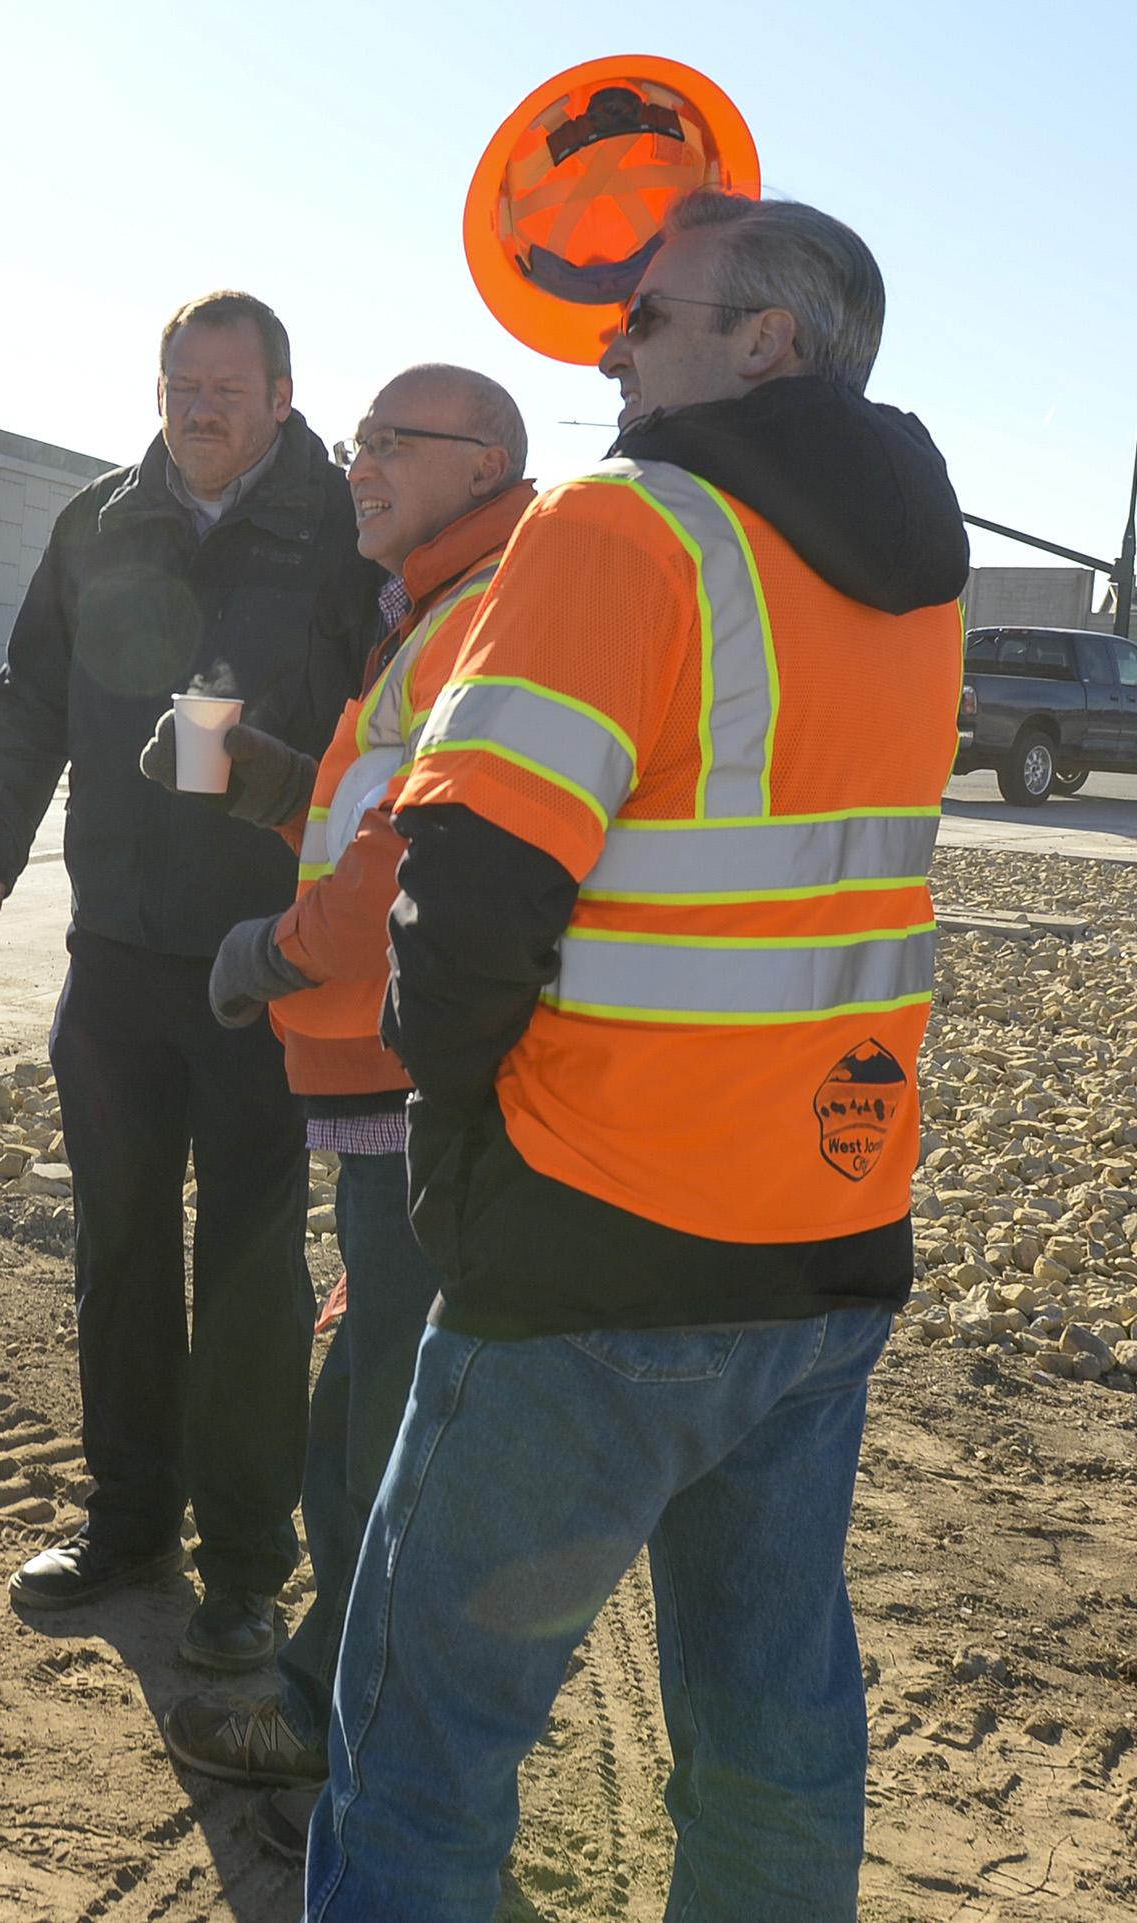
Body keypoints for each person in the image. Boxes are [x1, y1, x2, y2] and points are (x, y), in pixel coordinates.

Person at [310, 191, 968, 1918]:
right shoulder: (914, 578)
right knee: (772, 1741)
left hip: (596, 1232)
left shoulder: (627, 523)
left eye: (648, 312)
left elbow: (471, 890)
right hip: (827, 1237)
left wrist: (453, 1159)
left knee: (426, 1748)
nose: (611, 339)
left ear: (768, 343)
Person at [0, 291, 383, 1669]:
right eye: (179, 384)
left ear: (280, 394)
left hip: (263, 961)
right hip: (119, 953)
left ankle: (247, 1564)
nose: (199, 408)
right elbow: (30, 690)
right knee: (120, 1247)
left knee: (253, 1272)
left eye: (226, 388)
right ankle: (130, 1515)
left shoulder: (339, 529)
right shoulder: (101, 521)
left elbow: (399, 717)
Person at [146, 364, 537, 1861]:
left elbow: (416, 849)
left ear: (483, 457)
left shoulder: (486, 609)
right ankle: (341, 1696)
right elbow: (368, 804)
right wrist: (257, 780)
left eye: (390, 440)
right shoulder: (433, 616)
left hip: (405, 1075)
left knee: (389, 1427)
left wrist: (280, 948)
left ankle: (341, 1712)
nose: (356, 460)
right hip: (374, 1078)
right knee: (364, 1404)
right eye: (358, 436)